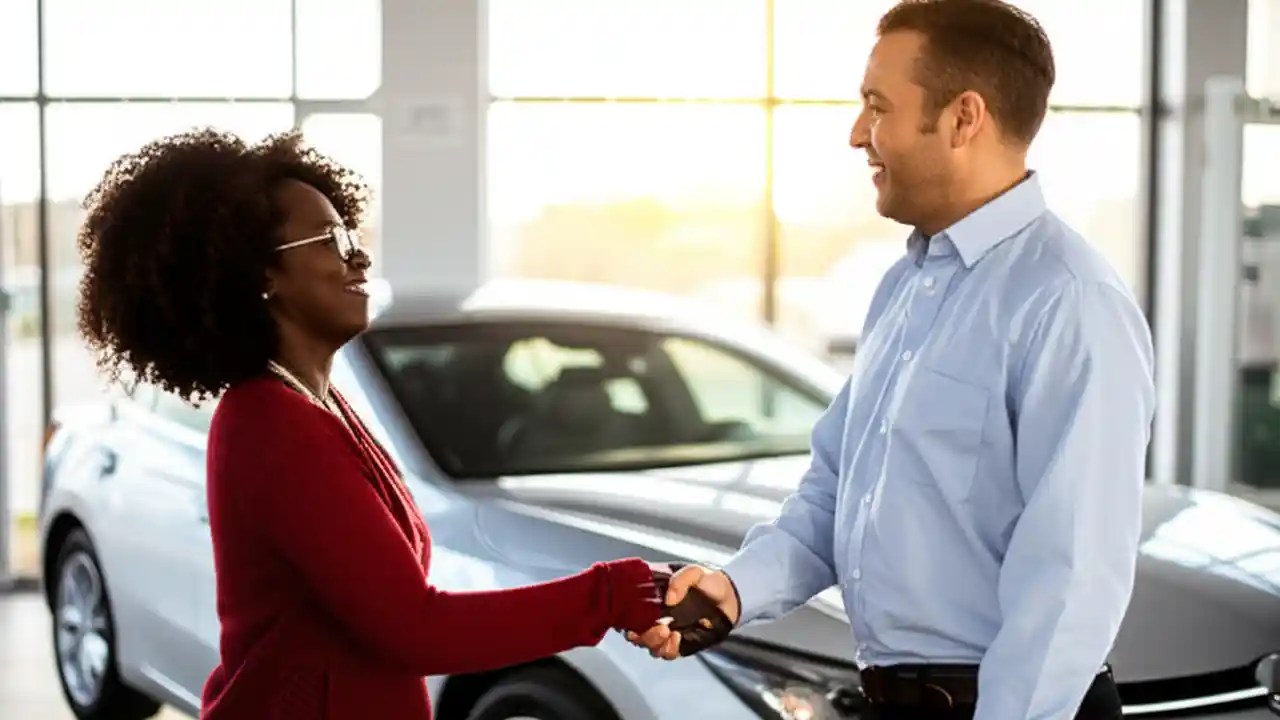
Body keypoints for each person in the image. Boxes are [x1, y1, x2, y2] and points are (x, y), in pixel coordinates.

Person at [630, 1, 1156, 718]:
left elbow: (1072, 579)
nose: (857, 135)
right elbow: (837, 493)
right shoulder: (905, 288)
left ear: (963, 118)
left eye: (877, 107)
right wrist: (738, 589)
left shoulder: (1068, 299)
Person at [74, 128, 673, 719]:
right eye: (329, 239)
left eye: (351, 233)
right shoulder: (272, 425)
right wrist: (615, 595)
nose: (357, 253)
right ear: (261, 278)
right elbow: (415, 627)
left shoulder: (318, 403)